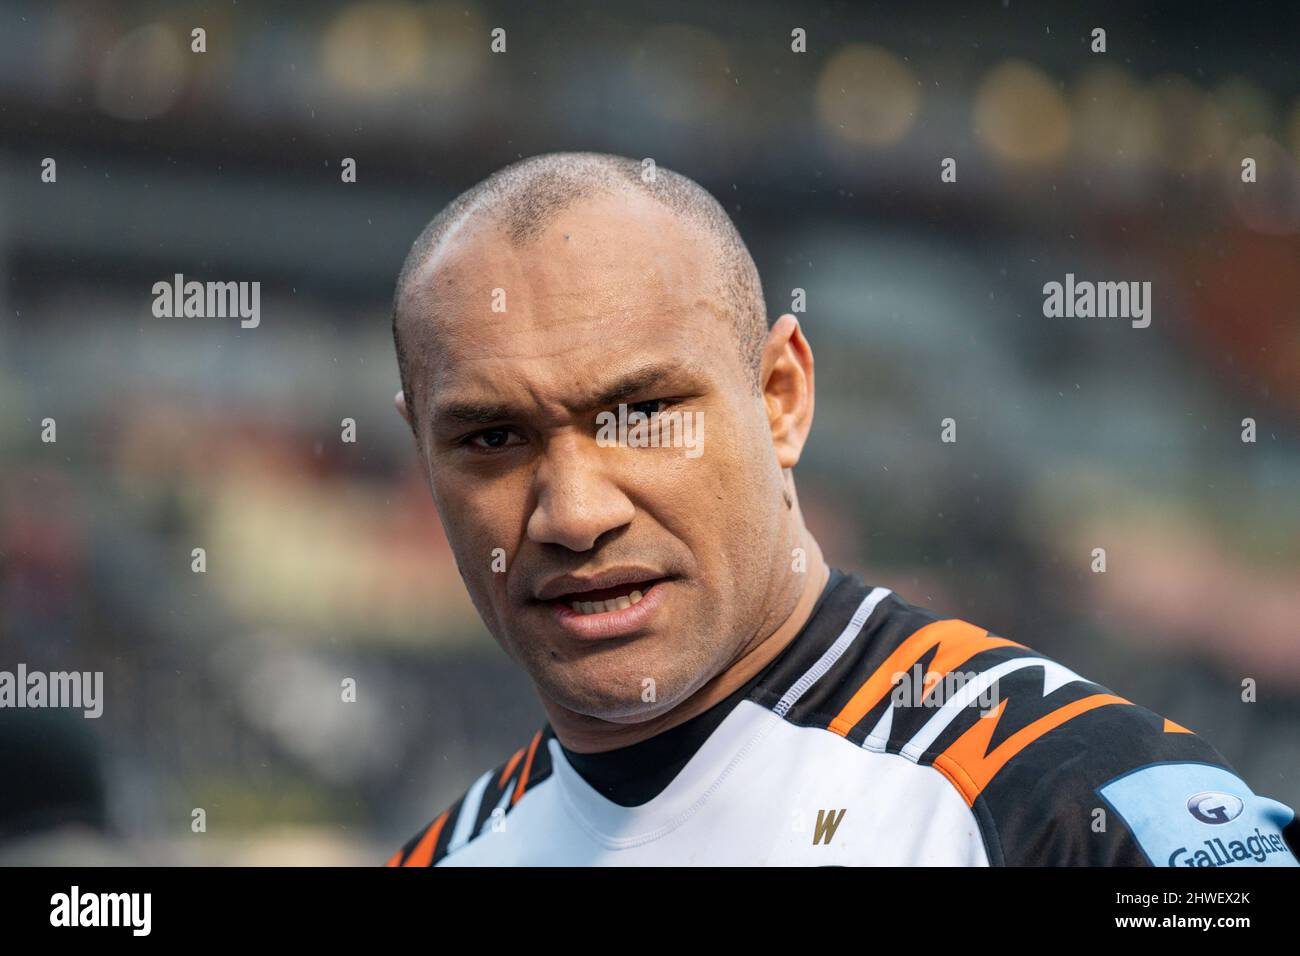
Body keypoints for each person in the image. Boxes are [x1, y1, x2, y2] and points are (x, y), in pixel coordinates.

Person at [384, 152, 1298, 866]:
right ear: (421, 451)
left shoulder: (1078, 805)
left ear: (781, 397)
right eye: (492, 439)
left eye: (644, 416)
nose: (575, 514)